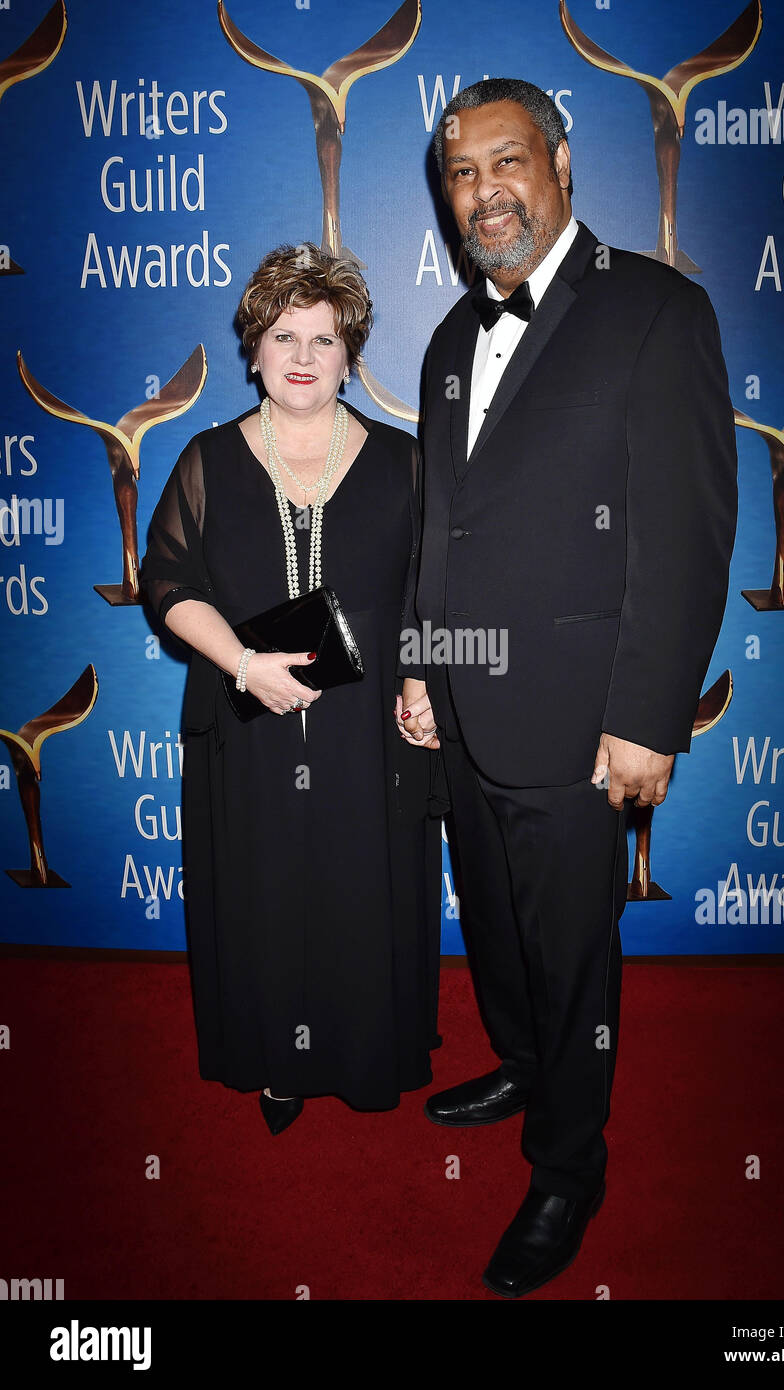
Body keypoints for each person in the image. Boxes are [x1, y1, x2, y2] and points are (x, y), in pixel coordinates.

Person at [397, 79, 737, 1297]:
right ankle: (525, 1062)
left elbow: (689, 536)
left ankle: (567, 1166)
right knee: (494, 925)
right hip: (471, 706)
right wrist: (427, 663)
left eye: (507, 162)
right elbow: (444, 528)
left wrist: (649, 717)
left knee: (574, 951)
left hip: (588, 719)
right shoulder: (446, 343)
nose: (483, 192)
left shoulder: (657, 310)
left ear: (562, 166)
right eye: (461, 174)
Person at [141, 244, 441, 1136]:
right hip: (247, 719)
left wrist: (422, 677)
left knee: (363, 884)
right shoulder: (207, 458)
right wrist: (242, 664)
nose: (303, 355)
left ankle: (363, 1054)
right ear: (253, 348)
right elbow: (168, 582)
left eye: (324, 337)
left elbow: (436, 586)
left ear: (352, 354)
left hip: (370, 734)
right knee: (264, 888)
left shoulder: (405, 462)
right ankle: (277, 1057)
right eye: (284, 335)